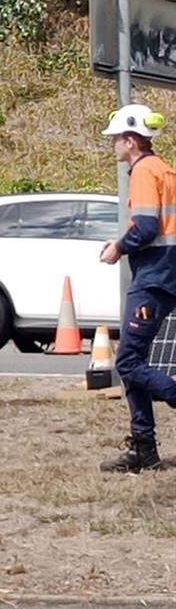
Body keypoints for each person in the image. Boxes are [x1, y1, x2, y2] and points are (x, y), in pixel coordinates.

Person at [98, 102, 176, 472]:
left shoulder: (144, 172)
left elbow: (145, 228)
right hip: (164, 276)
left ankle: (147, 439)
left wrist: (118, 246)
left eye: (116, 138)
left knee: (127, 361)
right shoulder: (164, 170)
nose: (113, 145)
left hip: (152, 279)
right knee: (135, 363)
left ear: (131, 140)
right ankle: (144, 449)